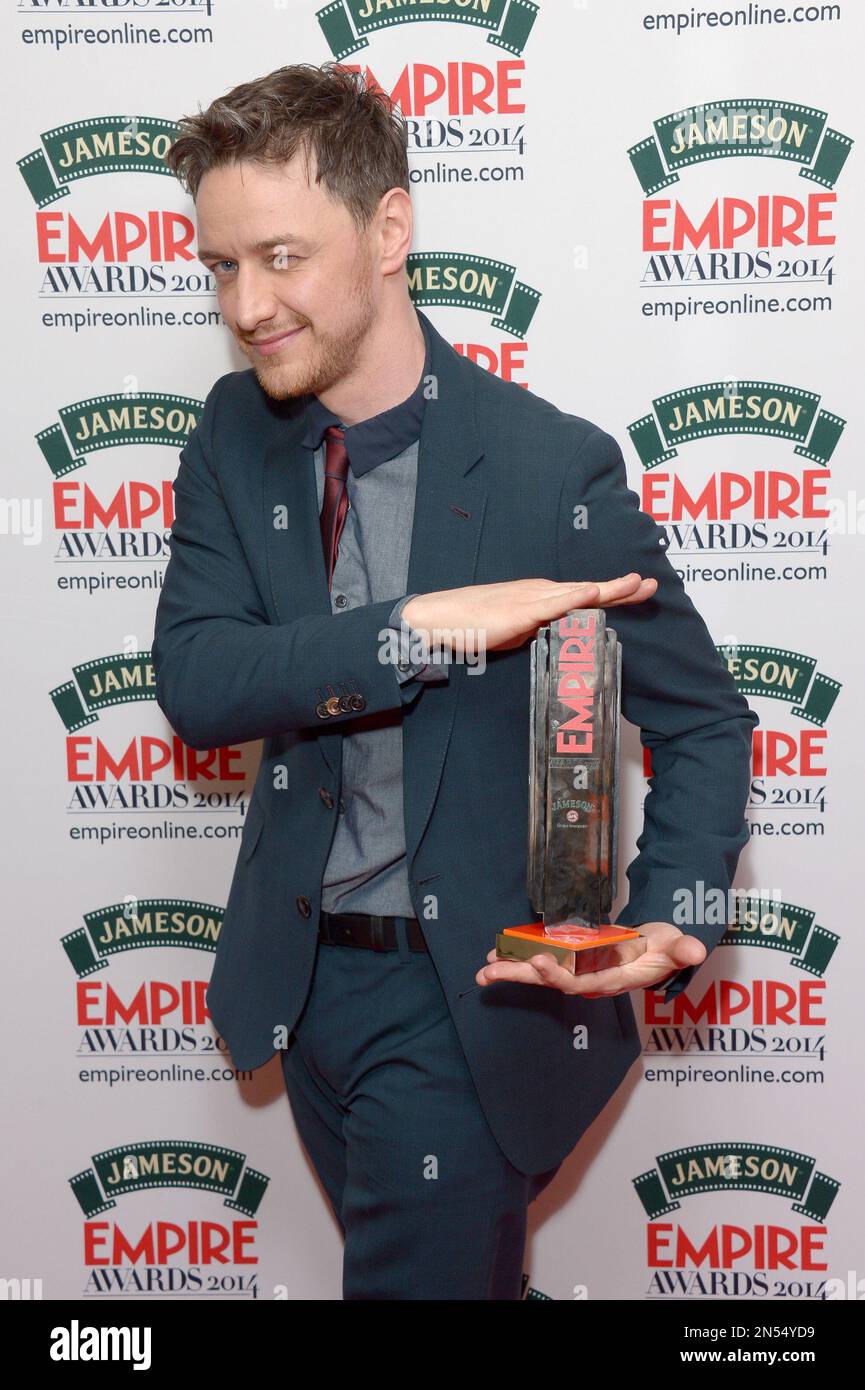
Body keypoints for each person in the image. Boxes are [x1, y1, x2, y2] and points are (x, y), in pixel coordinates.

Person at [153, 62, 758, 1300]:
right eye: (221, 268)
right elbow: (201, 682)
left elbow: (703, 720)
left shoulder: (549, 471)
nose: (247, 304)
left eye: (280, 256)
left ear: (388, 231)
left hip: (475, 1005)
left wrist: (674, 914)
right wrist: (414, 628)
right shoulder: (230, 433)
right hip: (300, 988)